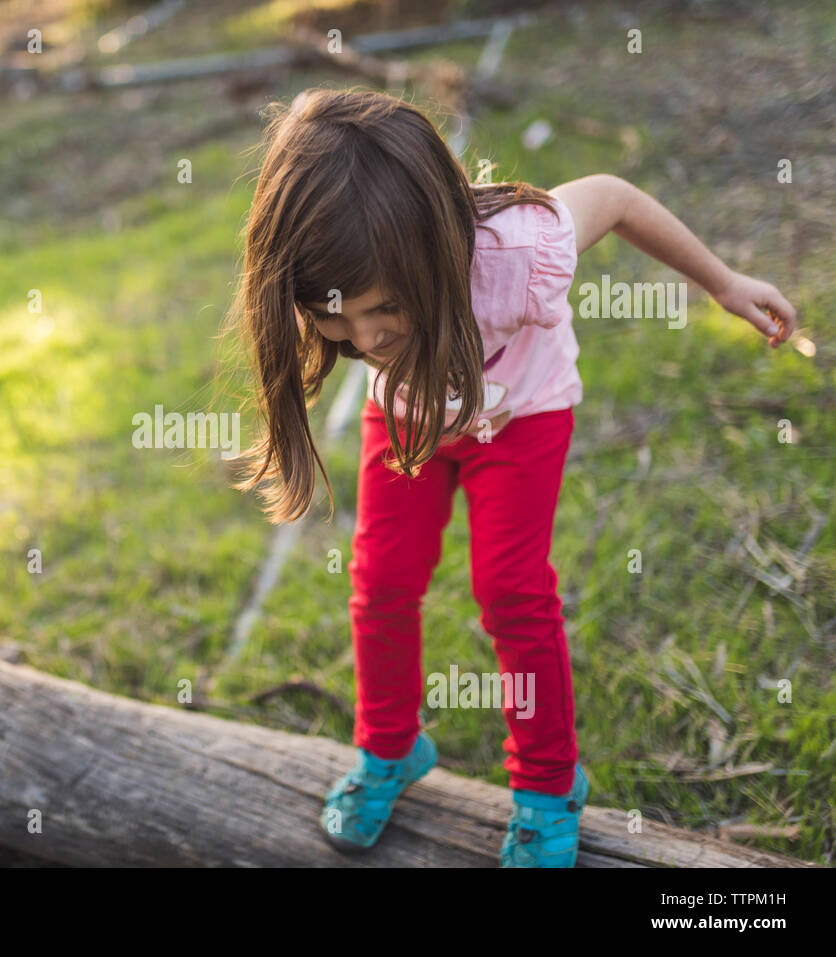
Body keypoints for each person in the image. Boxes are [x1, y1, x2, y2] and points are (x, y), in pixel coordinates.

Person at [224, 88, 796, 866]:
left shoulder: (520, 249)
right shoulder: (329, 273)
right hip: (409, 419)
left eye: (384, 309)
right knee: (381, 577)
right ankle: (389, 748)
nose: (365, 339)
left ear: (437, 245)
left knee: (510, 590)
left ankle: (548, 786)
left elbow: (617, 197)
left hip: (522, 416)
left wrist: (723, 283)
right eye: (338, 317)